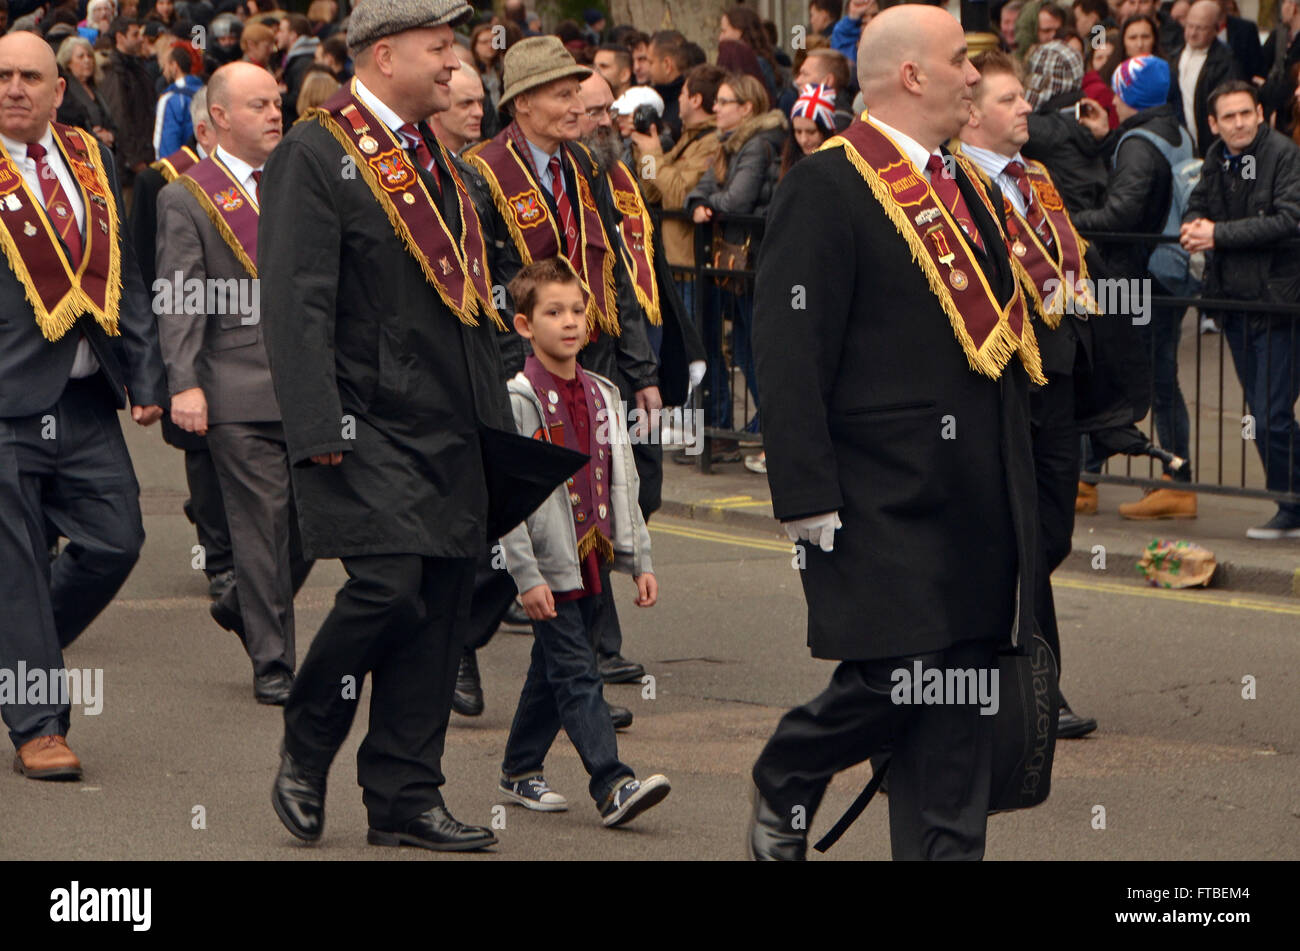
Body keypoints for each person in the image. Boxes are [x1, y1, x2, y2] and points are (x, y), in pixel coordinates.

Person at [747, 4, 1043, 861]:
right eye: (961, 61)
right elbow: (788, 348)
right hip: (881, 493)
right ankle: (791, 767)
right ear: (912, 74)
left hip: (977, 499)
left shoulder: (972, 185)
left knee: (955, 712)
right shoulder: (826, 183)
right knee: (896, 675)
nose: (976, 79)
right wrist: (803, 491)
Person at [262, 0, 543, 852]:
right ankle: (309, 743)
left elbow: (469, 305)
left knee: (443, 605)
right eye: (441, 46)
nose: (457, 61)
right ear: (385, 56)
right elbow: (296, 299)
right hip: (366, 418)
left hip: (455, 421)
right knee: (389, 589)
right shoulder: (315, 152)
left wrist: (505, 412)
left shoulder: (444, 164)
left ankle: (404, 796)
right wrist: (317, 424)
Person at [466, 36, 661, 692]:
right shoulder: (482, 172)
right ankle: (461, 642)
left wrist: (642, 368)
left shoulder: (586, 165)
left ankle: (595, 653)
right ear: (521, 103)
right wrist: (504, 376)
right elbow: (481, 286)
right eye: (561, 93)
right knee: (521, 513)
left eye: (578, 91)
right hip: (521, 365)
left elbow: (614, 266)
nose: (577, 104)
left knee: (597, 499)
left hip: (591, 354)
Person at [0, 30, 167, 781]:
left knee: (116, 539)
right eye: (0, 76)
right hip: (5, 403)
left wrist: (147, 374)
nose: (14, 88)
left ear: (58, 88)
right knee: (18, 569)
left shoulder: (89, 159)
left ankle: (15, 650)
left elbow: (124, 269)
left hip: (84, 395)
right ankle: (38, 723)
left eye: (30, 76)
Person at [157, 61, 313, 705]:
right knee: (260, 525)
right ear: (219, 117)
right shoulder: (186, 195)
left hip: (308, 388)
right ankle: (274, 661)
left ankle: (247, 601)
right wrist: (185, 382)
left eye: (278, 103)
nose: (276, 114)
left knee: (310, 525)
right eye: (258, 105)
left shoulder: (301, 182)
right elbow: (181, 296)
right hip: (236, 386)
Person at [496, 257, 671, 825]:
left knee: (552, 669)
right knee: (576, 671)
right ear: (525, 325)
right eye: (553, 312)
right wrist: (526, 577)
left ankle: (520, 767)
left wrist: (639, 559)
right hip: (548, 565)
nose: (569, 322)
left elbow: (625, 479)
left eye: (577, 310)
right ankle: (612, 783)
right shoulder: (518, 398)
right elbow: (509, 497)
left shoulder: (601, 392)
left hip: (591, 558)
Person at [957, 49, 1100, 739]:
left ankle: (981, 633)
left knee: (1051, 530)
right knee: (1023, 532)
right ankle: (1042, 691)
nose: (1026, 111)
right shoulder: (953, 186)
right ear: (973, 112)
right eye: (1011, 100)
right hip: (1008, 378)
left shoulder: (1035, 175)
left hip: (1061, 377)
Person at [1075, 54, 1197, 517]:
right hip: (1167, 273)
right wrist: (1110, 140)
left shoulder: (1138, 145)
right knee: (1150, 376)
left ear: (1125, 94)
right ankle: (1096, 477)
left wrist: (1066, 220)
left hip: (1137, 279)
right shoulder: (1174, 132)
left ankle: (1175, 483)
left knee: (1132, 377)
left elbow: (1121, 214)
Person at [1182, 80, 1300, 537]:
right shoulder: (1215, 159)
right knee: (1263, 414)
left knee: (1270, 415)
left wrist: (1217, 235)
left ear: (1260, 114)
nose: (1239, 123)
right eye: (1228, 117)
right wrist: (1194, 226)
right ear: (1213, 124)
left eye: (1245, 113)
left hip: (1279, 304)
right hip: (1232, 304)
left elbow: (1288, 220)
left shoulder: (1285, 155)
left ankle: (1291, 506)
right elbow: (1198, 205)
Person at [685, 73, 786, 458]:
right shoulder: (730, 144)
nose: (716, 108)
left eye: (724, 102)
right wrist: (700, 203)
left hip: (755, 262)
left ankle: (773, 432)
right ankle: (764, 428)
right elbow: (701, 188)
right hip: (737, 265)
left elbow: (737, 200)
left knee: (754, 350)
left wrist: (710, 205)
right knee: (743, 349)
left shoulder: (757, 145)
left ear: (747, 108)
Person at [1168, 0, 1240, 155]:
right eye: (1189, 26)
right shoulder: (1173, 56)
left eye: (1200, 28)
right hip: (1178, 140)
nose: (1192, 33)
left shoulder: (1224, 62)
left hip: (1209, 144)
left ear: (1216, 29)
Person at [98, 16, 156, 186]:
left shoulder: (138, 66)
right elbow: (119, 116)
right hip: (129, 166)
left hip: (145, 155)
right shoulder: (114, 71)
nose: (140, 39)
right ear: (120, 37)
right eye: (135, 35)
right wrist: (134, 160)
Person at [55, 35, 116, 151]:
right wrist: (94, 136)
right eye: (81, 57)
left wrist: (110, 134)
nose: (87, 60)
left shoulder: (96, 88)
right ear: (68, 62)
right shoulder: (66, 90)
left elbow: (110, 120)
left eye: (89, 56)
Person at [153, 44, 202, 159]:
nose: (164, 72)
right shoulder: (206, 91)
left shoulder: (170, 99)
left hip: (182, 169)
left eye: (165, 66)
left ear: (174, 65)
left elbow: (165, 146)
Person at [430, 58, 484, 154]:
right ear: (436, 108)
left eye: (480, 102)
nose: (479, 112)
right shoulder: (416, 161)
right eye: (466, 103)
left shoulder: (485, 159)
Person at [275, 12, 317, 124]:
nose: (276, 35)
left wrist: (279, 94)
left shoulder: (302, 63)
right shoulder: (297, 59)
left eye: (281, 30)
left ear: (293, 35)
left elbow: (300, 98)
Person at [647, 29, 688, 143]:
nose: (648, 68)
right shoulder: (657, 96)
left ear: (667, 65)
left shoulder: (683, 105)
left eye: (651, 62)